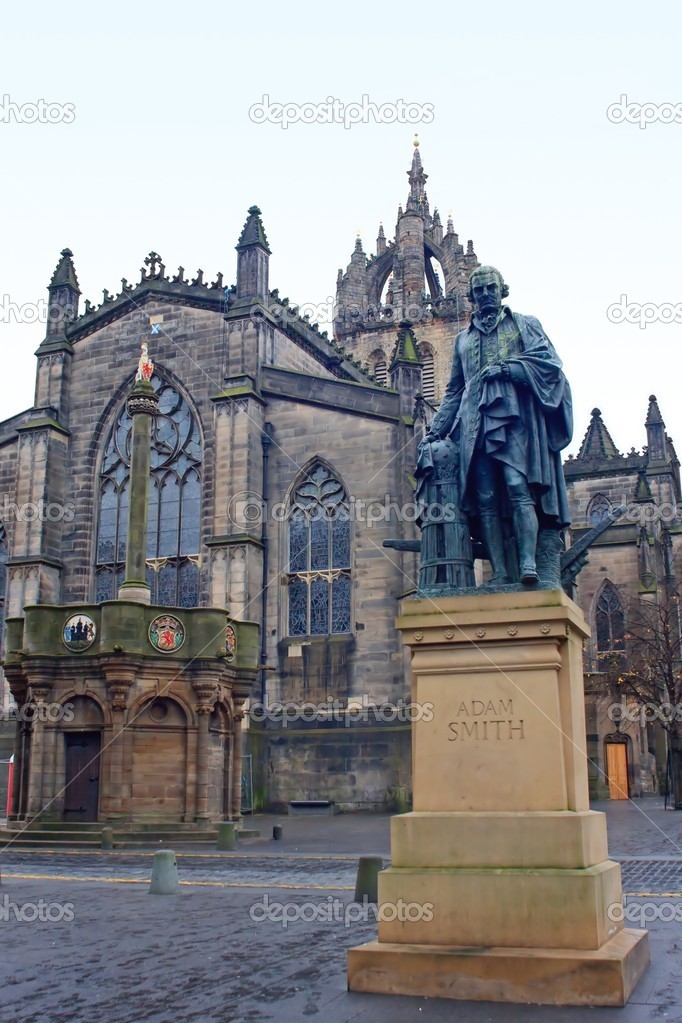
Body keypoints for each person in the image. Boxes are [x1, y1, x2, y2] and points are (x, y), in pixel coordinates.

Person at [420, 265, 572, 586]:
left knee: (518, 487)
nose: (485, 294)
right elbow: (454, 390)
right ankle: (501, 572)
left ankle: (528, 563)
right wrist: (436, 430)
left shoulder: (524, 325)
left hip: (515, 420)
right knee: (485, 499)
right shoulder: (462, 340)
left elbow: (549, 362)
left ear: (502, 290)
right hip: (473, 425)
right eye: (479, 290)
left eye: (491, 288)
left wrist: (509, 369)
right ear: (472, 297)